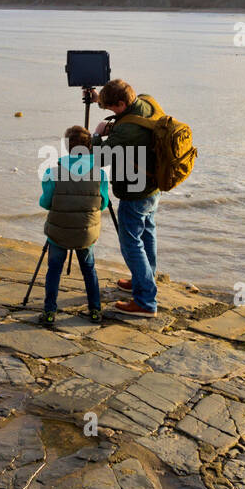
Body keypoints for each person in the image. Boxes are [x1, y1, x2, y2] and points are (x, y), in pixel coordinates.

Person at [89, 79, 161, 316]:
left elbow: (99, 158)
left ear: (121, 103)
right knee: (147, 234)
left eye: (111, 109)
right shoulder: (145, 101)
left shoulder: (127, 130)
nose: (110, 113)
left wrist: (98, 135)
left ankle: (145, 302)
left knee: (131, 243)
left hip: (135, 192)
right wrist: (99, 99)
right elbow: (127, 124)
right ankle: (143, 280)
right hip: (153, 186)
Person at [38, 126, 109, 327]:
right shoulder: (99, 173)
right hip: (86, 232)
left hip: (59, 231)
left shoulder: (54, 171)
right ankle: (95, 310)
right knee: (89, 269)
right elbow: (102, 203)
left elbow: (45, 203)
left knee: (54, 270)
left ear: (68, 147)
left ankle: (50, 312)